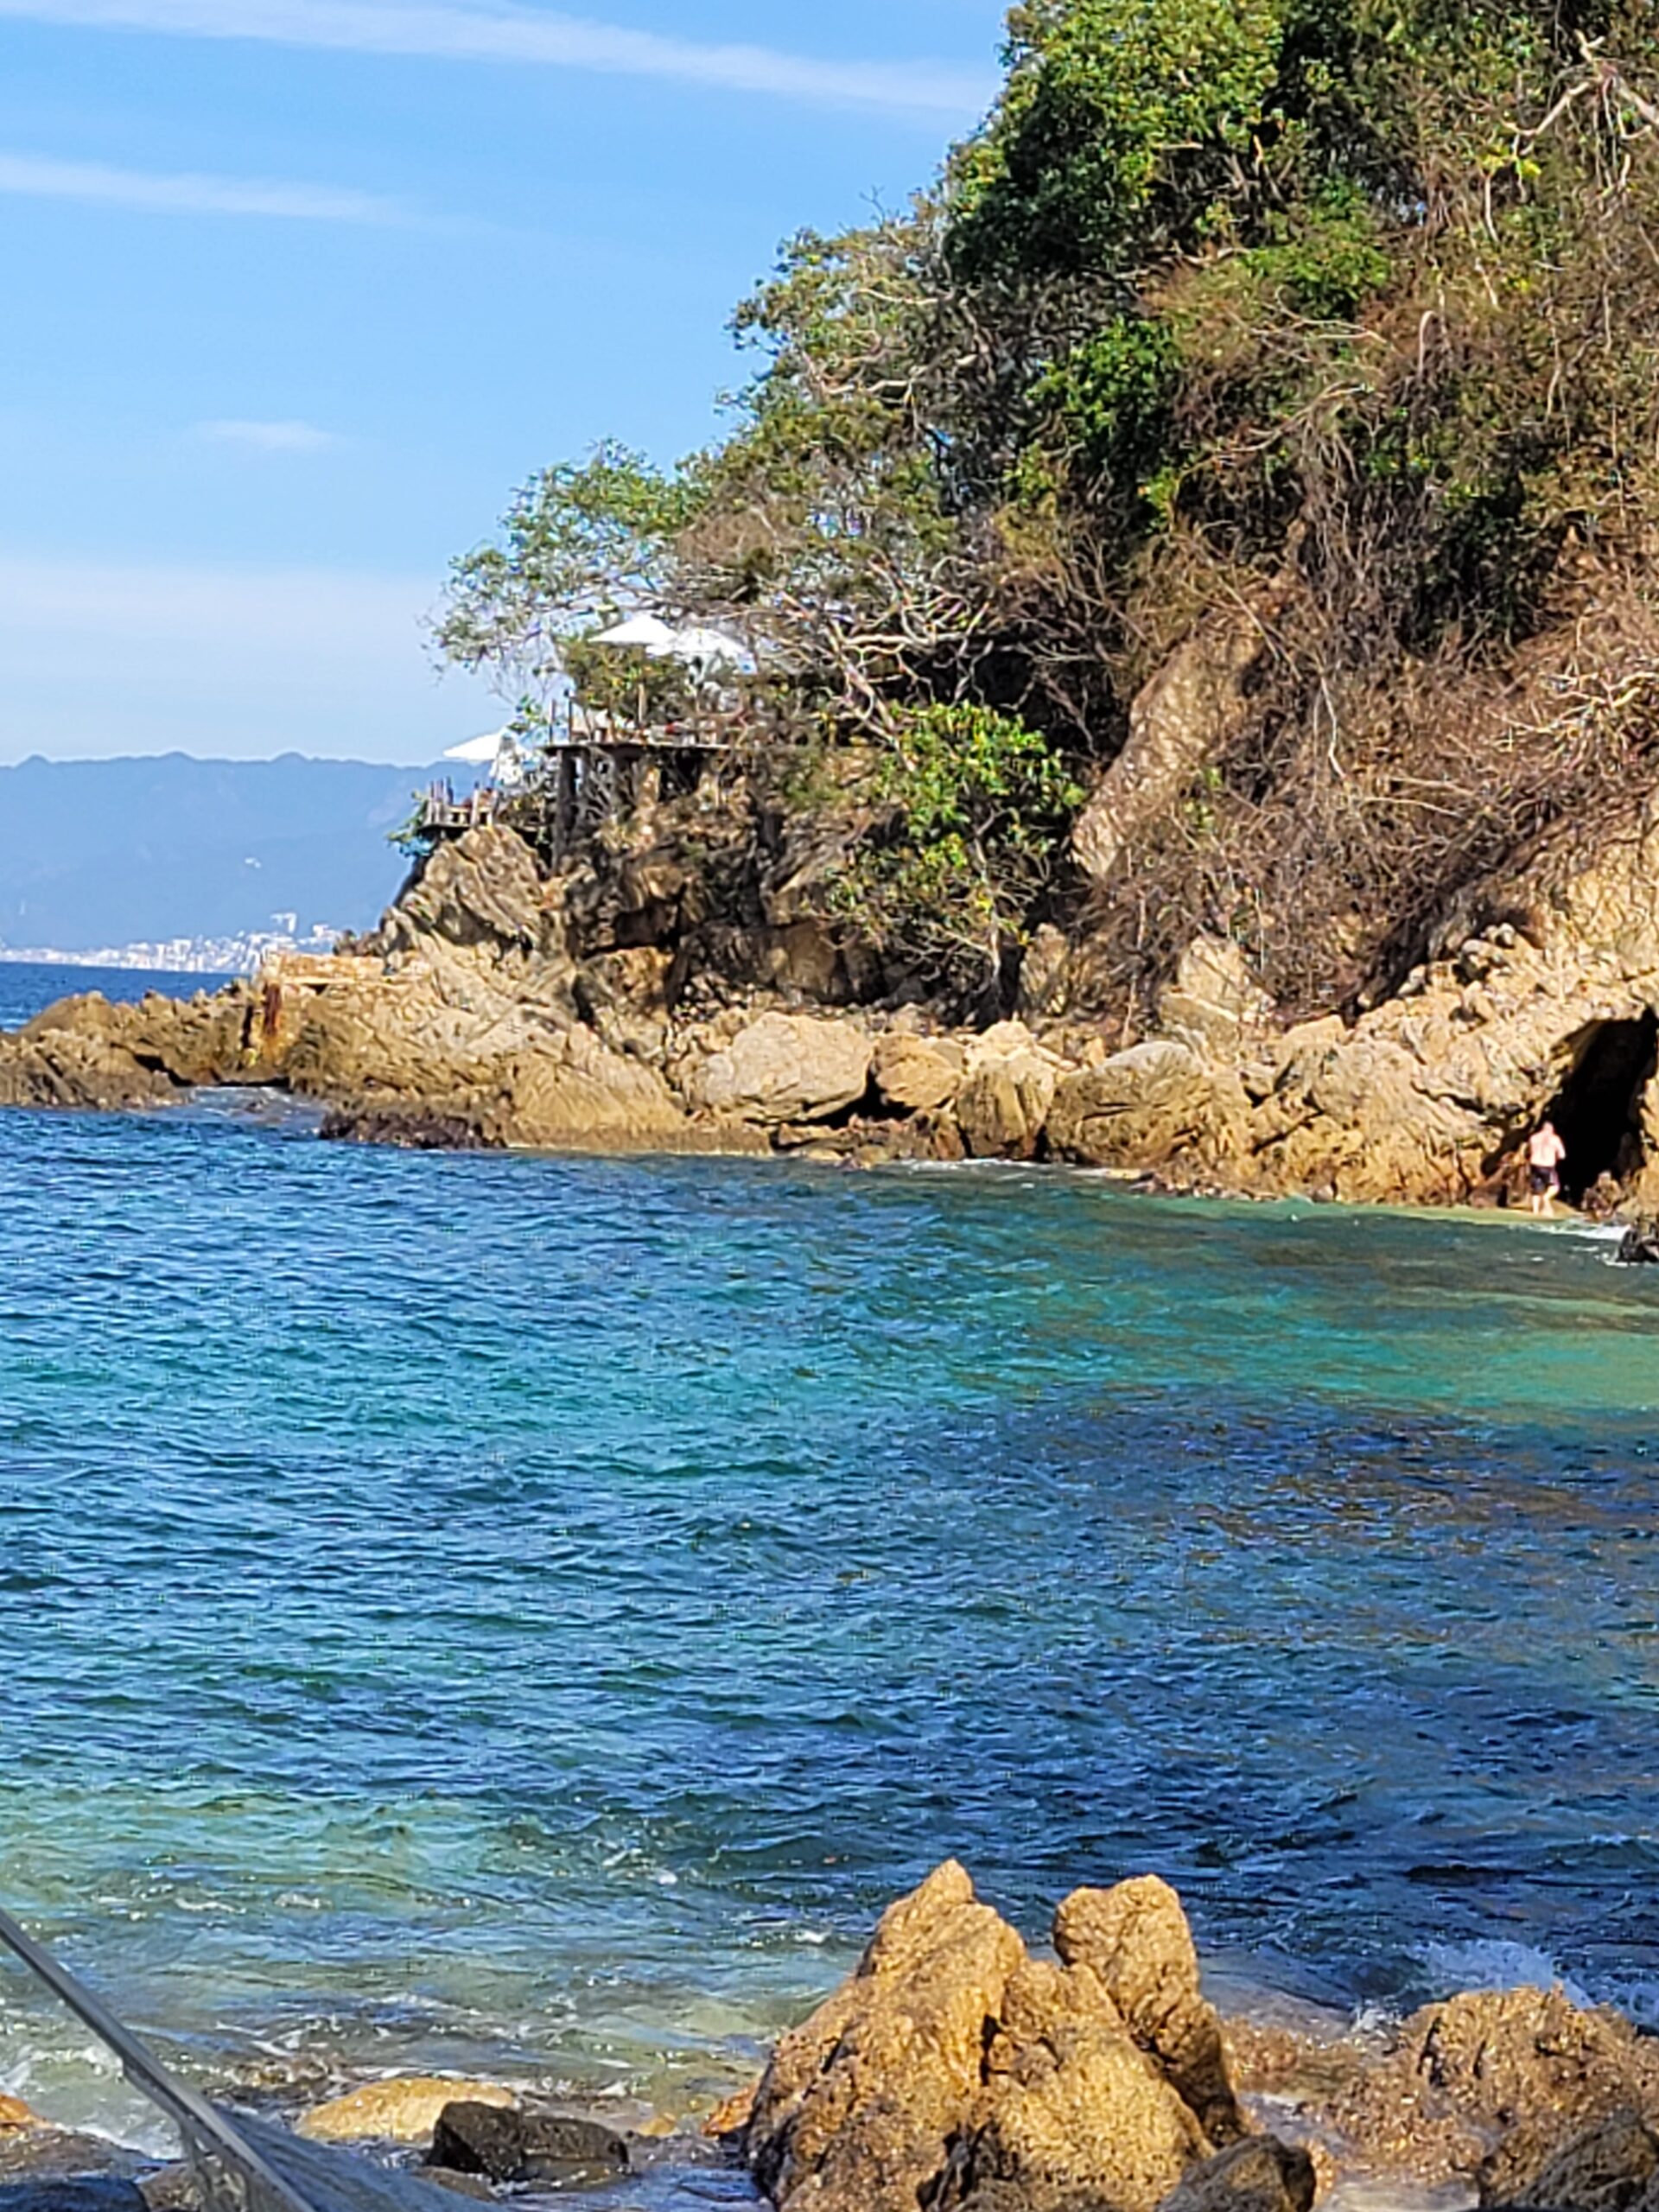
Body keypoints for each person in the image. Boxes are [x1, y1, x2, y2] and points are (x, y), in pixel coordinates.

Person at [1527, 1117, 1567, 1217]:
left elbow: (1530, 1152)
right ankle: (1546, 1198)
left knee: (1536, 1190)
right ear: (1551, 1129)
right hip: (1548, 1166)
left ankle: (1535, 1212)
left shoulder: (1534, 1138)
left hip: (1535, 1165)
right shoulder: (1555, 1139)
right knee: (1555, 1187)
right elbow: (1562, 1155)